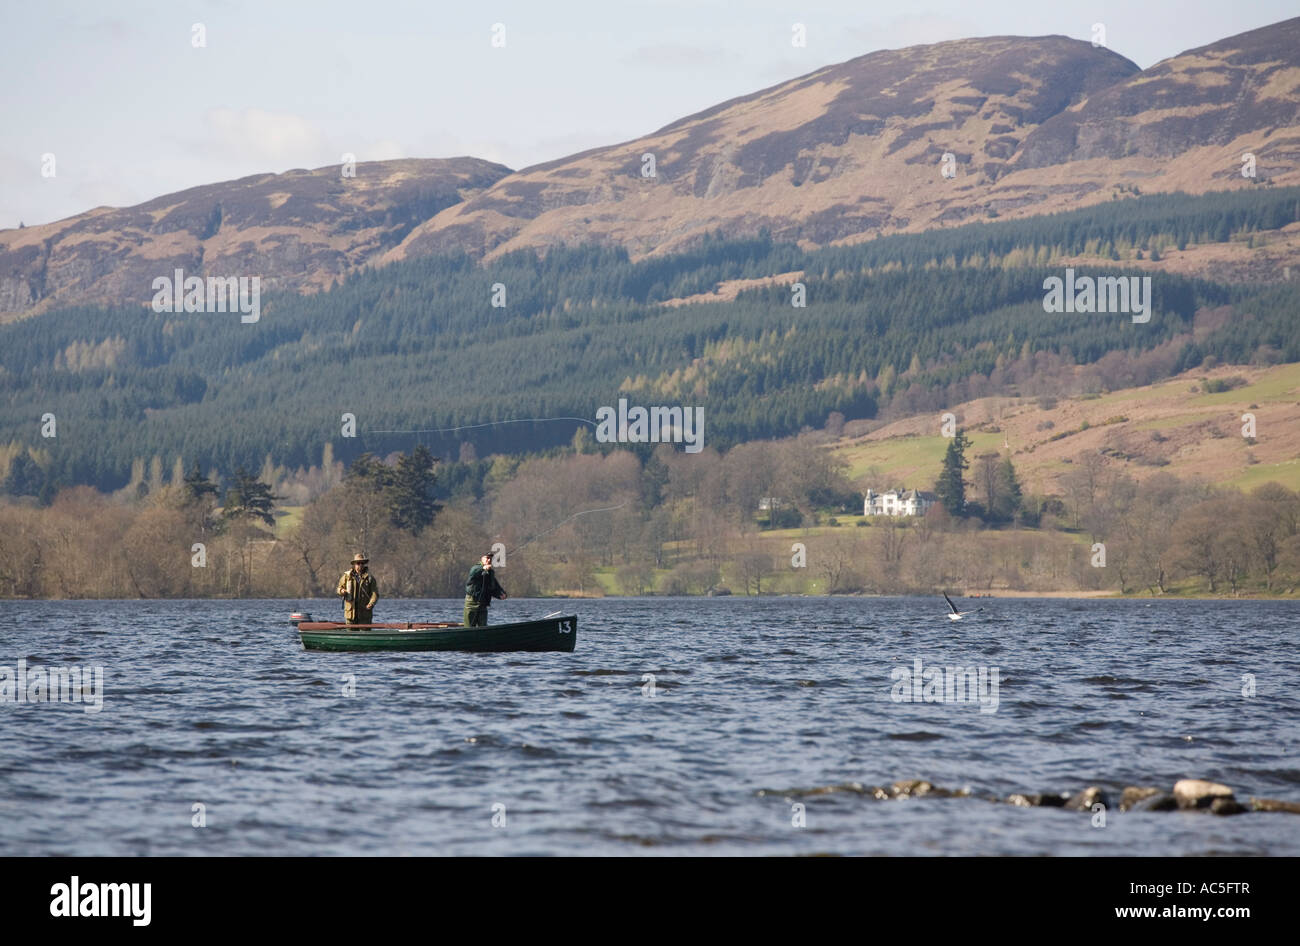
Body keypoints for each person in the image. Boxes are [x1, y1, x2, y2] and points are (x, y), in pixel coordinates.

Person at [463, 552, 506, 627]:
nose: (489, 560)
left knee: (483, 627)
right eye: (487, 558)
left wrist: (501, 594)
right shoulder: (476, 568)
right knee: (469, 627)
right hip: (471, 604)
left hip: (483, 605)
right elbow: (473, 572)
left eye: (490, 558)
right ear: (482, 559)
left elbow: (494, 587)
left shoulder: (491, 572)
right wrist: (483, 568)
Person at [336, 553, 378, 625]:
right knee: (349, 632)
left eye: (362, 563)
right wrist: (341, 591)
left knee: (364, 632)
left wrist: (371, 603)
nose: (360, 565)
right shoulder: (346, 576)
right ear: (354, 565)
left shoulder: (370, 578)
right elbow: (338, 588)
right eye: (358, 563)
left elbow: (375, 594)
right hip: (350, 614)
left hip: (365, 615)